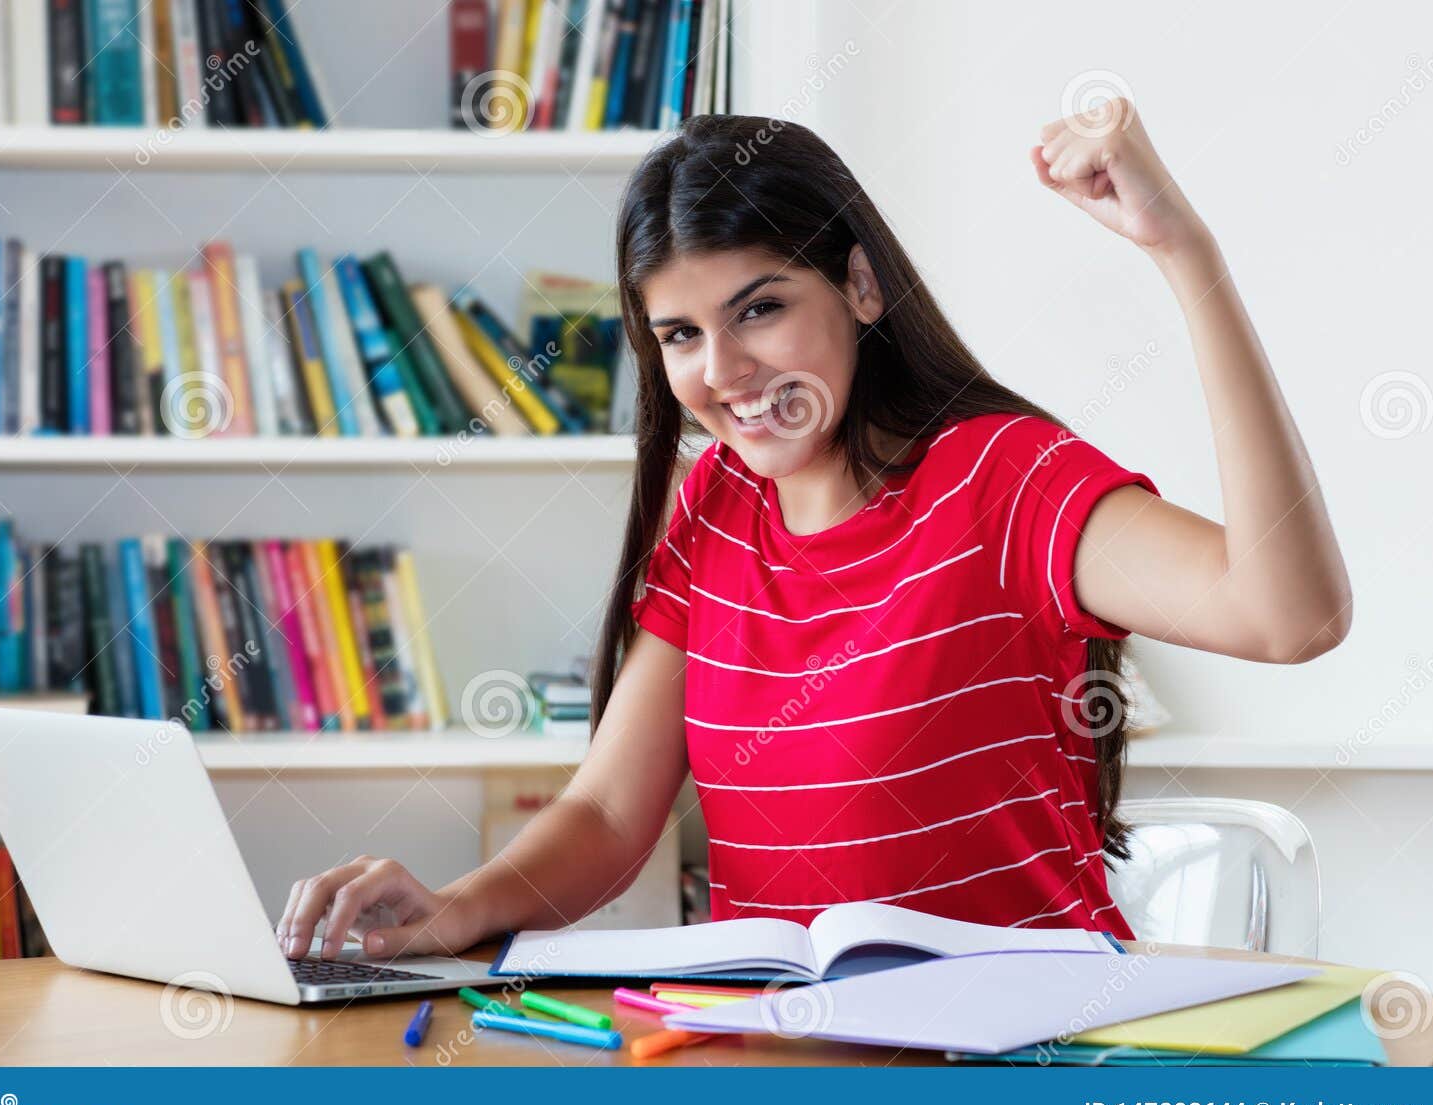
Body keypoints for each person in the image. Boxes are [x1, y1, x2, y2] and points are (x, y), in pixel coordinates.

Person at [278, 105, 1350, 962]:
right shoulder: (715, 509)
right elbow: (609, 811)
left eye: (758, 309)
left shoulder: (1001, 478)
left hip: (1011, 1071)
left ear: (861, 286)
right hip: (781, 1057)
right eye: (681, 334)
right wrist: (453, 910)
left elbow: (1287, 613)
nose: (724, 374)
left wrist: (1185, 254)